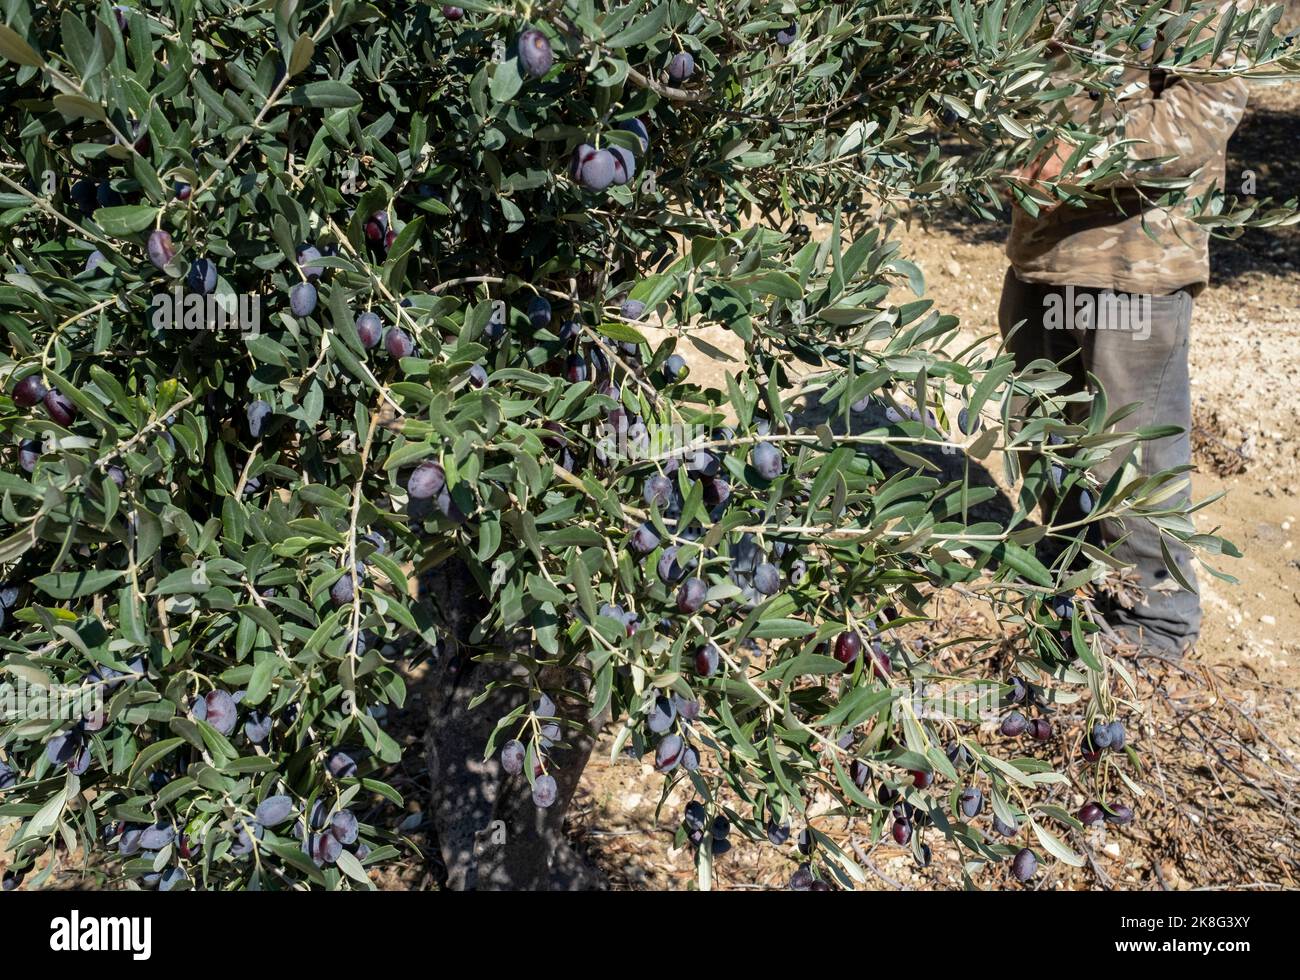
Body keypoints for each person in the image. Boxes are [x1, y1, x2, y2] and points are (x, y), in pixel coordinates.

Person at [999, 24, 1248, 656]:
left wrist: (1078, 154)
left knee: (1131, 460)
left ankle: (1156, 626)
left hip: (1136, 266)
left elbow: (1202, 113)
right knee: (1042, 435)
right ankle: (1074, 590)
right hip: (1040, 255)